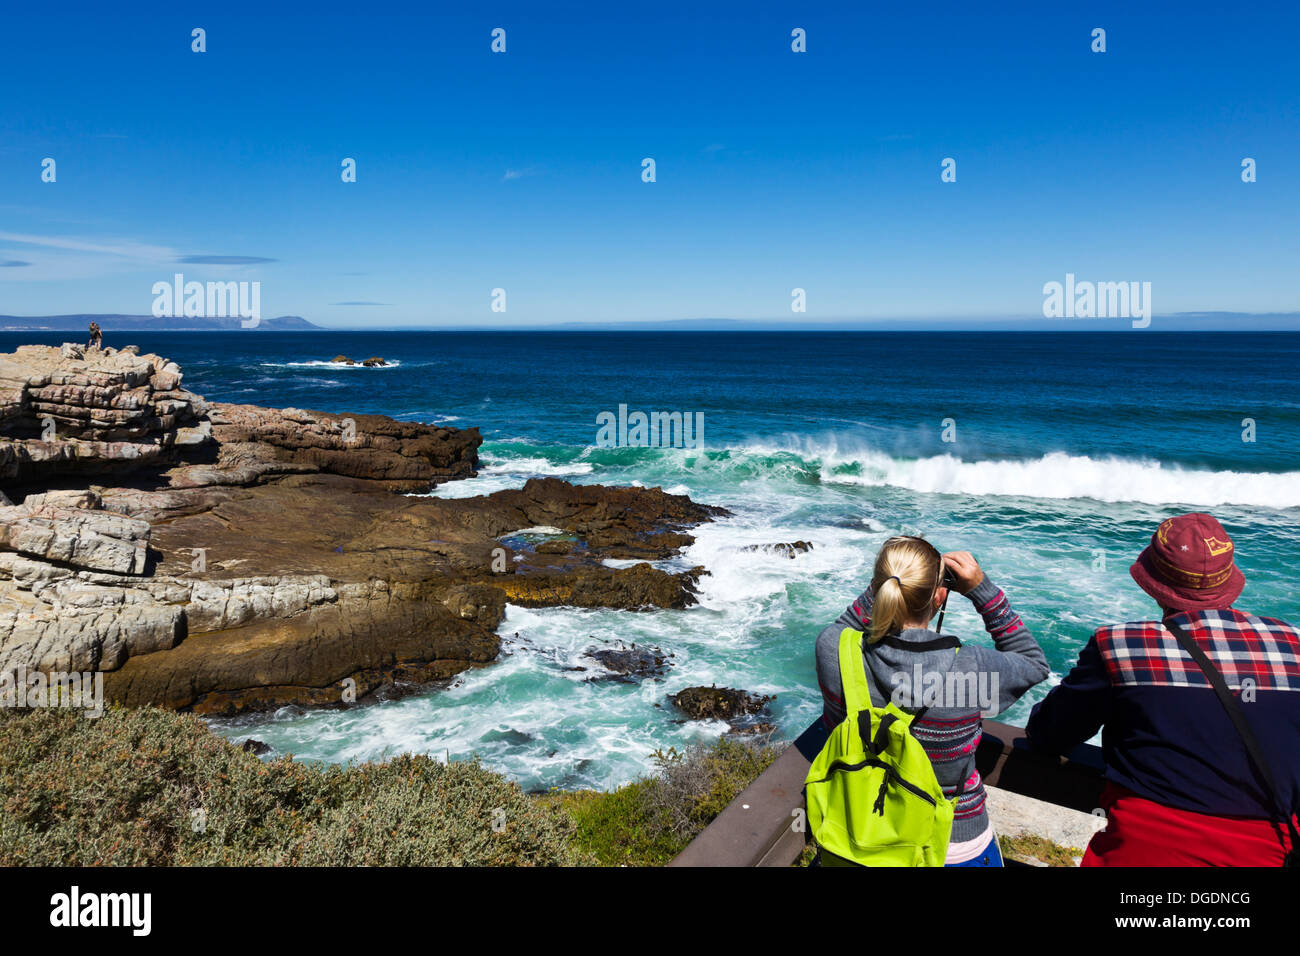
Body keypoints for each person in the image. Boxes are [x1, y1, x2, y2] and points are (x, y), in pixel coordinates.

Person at [1025, 512, 1300, 866]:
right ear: (1229, 576)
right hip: (1270, 855)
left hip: (1142, 854)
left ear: (1154, 582)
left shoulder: (1119, 645)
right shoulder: (1292, 644)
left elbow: (1049, 734)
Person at [815, 535, 1049, 866]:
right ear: (940, 596)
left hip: (855, 833)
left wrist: (886, 583)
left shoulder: (833, 648)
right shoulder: (972, 667)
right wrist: (981, 590)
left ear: (878, 586)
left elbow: (846, 625)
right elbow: (1034, 663)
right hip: (951, 844)